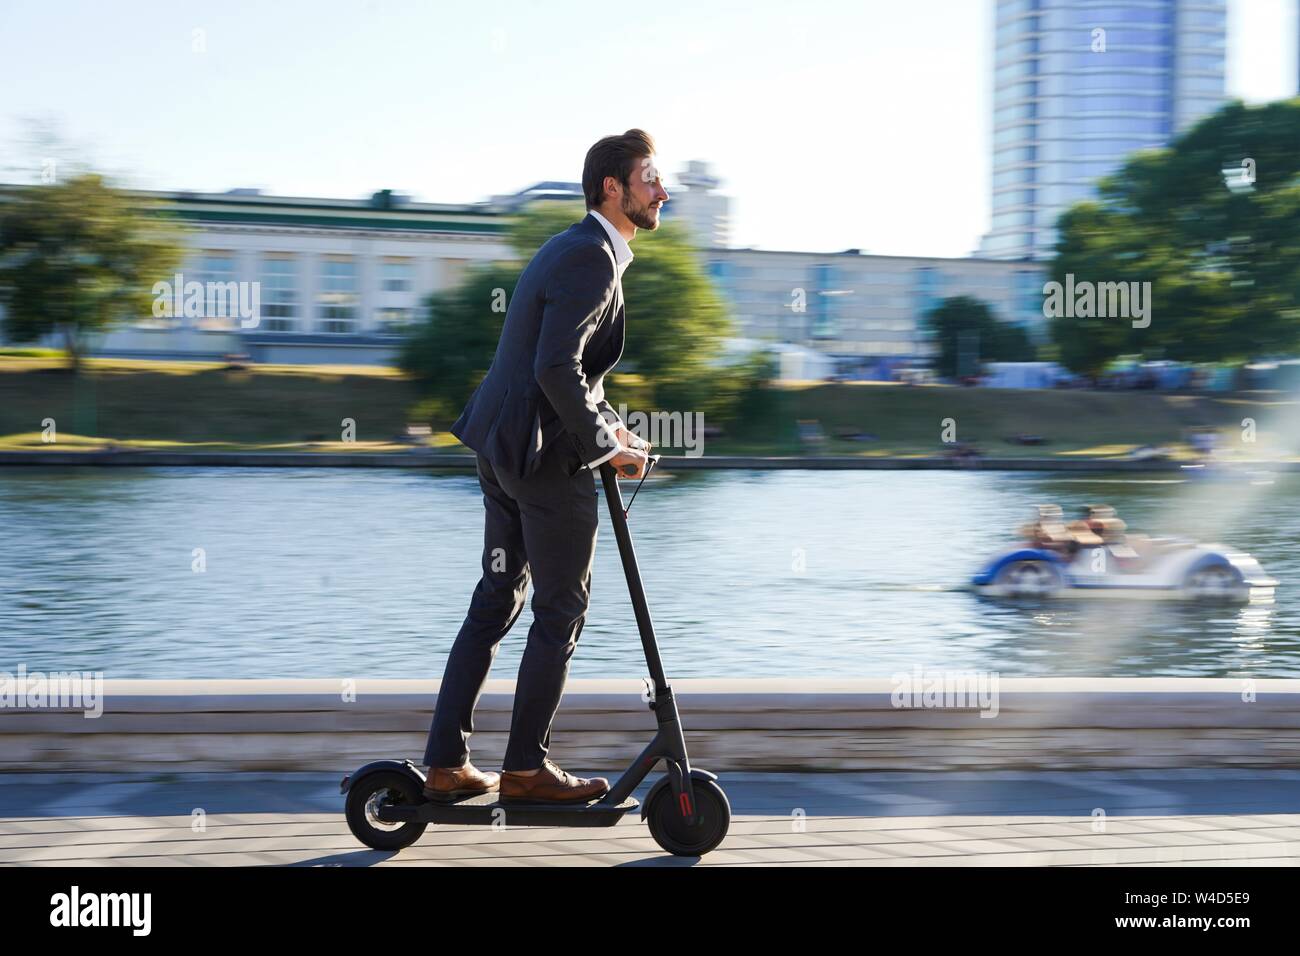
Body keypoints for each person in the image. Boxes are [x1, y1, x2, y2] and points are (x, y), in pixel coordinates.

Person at [421, 130, 666, 804]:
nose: (662, 191)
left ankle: (446, 765)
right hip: (541, 460)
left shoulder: (575, 248)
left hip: (502, 450)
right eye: (649, 177)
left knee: (495, 600)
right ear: (611, 188)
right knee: (562, 607)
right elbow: (554, 366)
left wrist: (614, 432)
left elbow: (570, 370)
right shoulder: (591, 258)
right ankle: (525, 771)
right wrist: (599, 448)